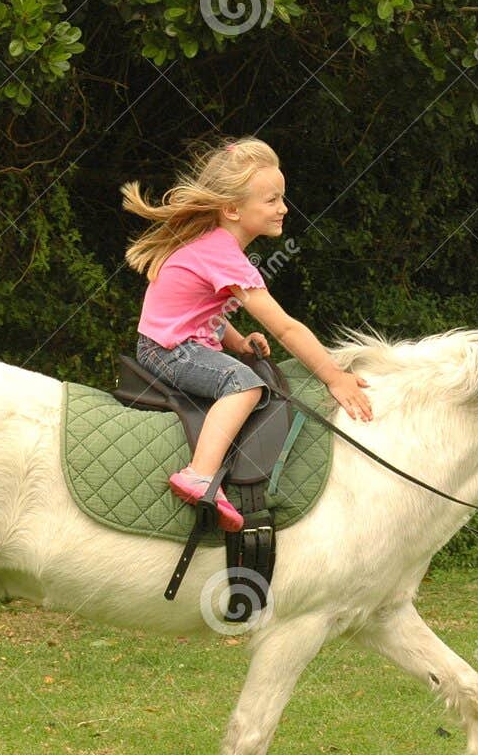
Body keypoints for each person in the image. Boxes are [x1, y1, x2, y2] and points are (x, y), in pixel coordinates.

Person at [122, 136, 373, 531]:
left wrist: (236, 342)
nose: (283, 209)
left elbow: (199, 311)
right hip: (170, 351)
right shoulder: (222, 253)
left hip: (174, 342)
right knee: (245, 385)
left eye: (282, 198)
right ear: (232, 209)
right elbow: (286, 327)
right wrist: (334, 376)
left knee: (241, 368)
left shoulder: (215, 247)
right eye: (272, 200)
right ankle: (199, 474)